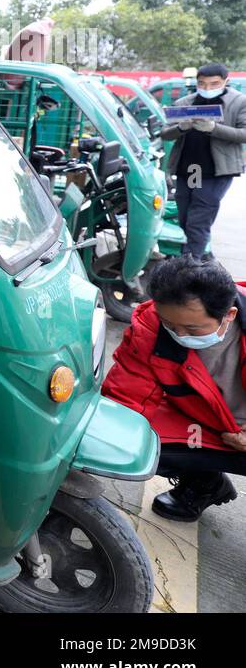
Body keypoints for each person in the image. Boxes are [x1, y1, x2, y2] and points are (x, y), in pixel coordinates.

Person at [103, 255, 246, 521]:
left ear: (229, 314)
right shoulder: (150, 327)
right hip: (210, 426)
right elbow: (126, 398)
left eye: (192, 328)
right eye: (170, 325)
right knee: (137, 442)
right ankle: (205, 485)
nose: (179, 336)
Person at [160, 63, 246, 260]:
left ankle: (191, 264)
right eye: (202, 84)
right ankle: (204, 257)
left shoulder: (239, 102)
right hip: (191, 168)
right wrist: (181, 127)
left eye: (214, 84)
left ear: (226, 81)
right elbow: (165, 133)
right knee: (185, 215)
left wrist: (214, 128)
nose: (207, 88)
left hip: (217, 170)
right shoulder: (185, 103)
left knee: (199, 217)